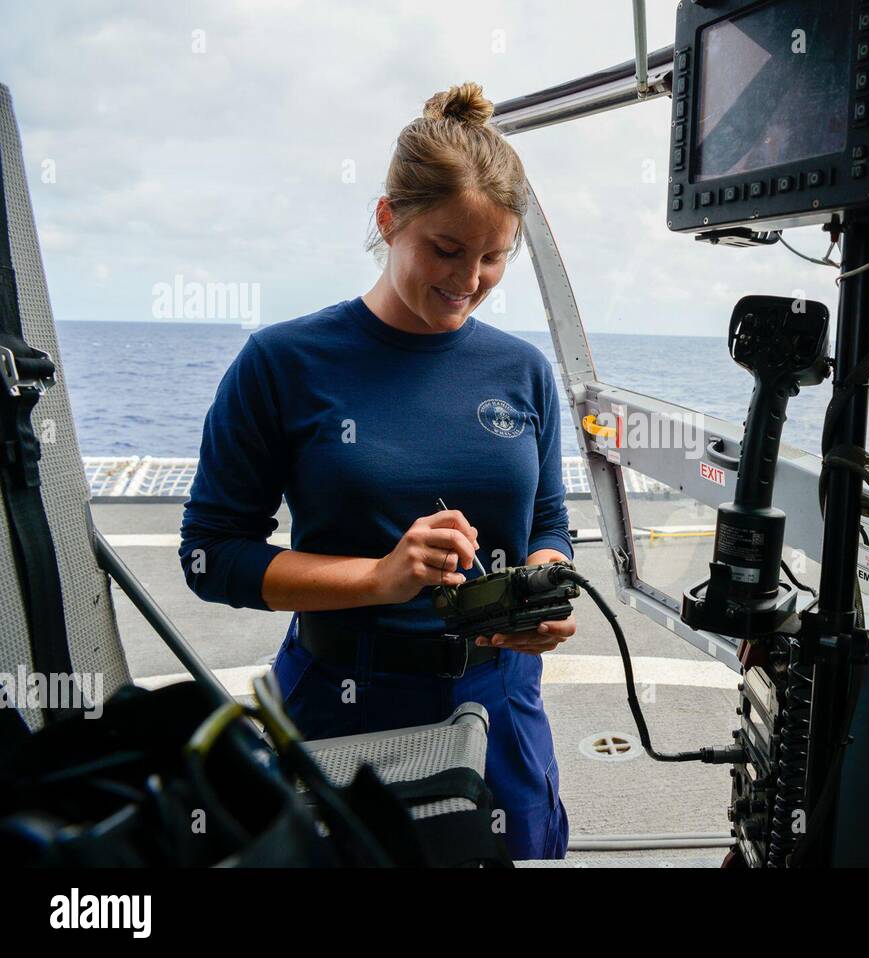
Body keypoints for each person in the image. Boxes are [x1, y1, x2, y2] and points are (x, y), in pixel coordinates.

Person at [178, 82, 575, 861]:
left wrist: (544, 582)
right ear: (389, 218)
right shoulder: (283, 362)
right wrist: (378, 578)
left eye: (494, 258)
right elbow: (210, 556)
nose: (469, 281)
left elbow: (548, 524)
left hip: (499, 703)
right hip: (343, 703)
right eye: (447, 251)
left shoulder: (523, 371)